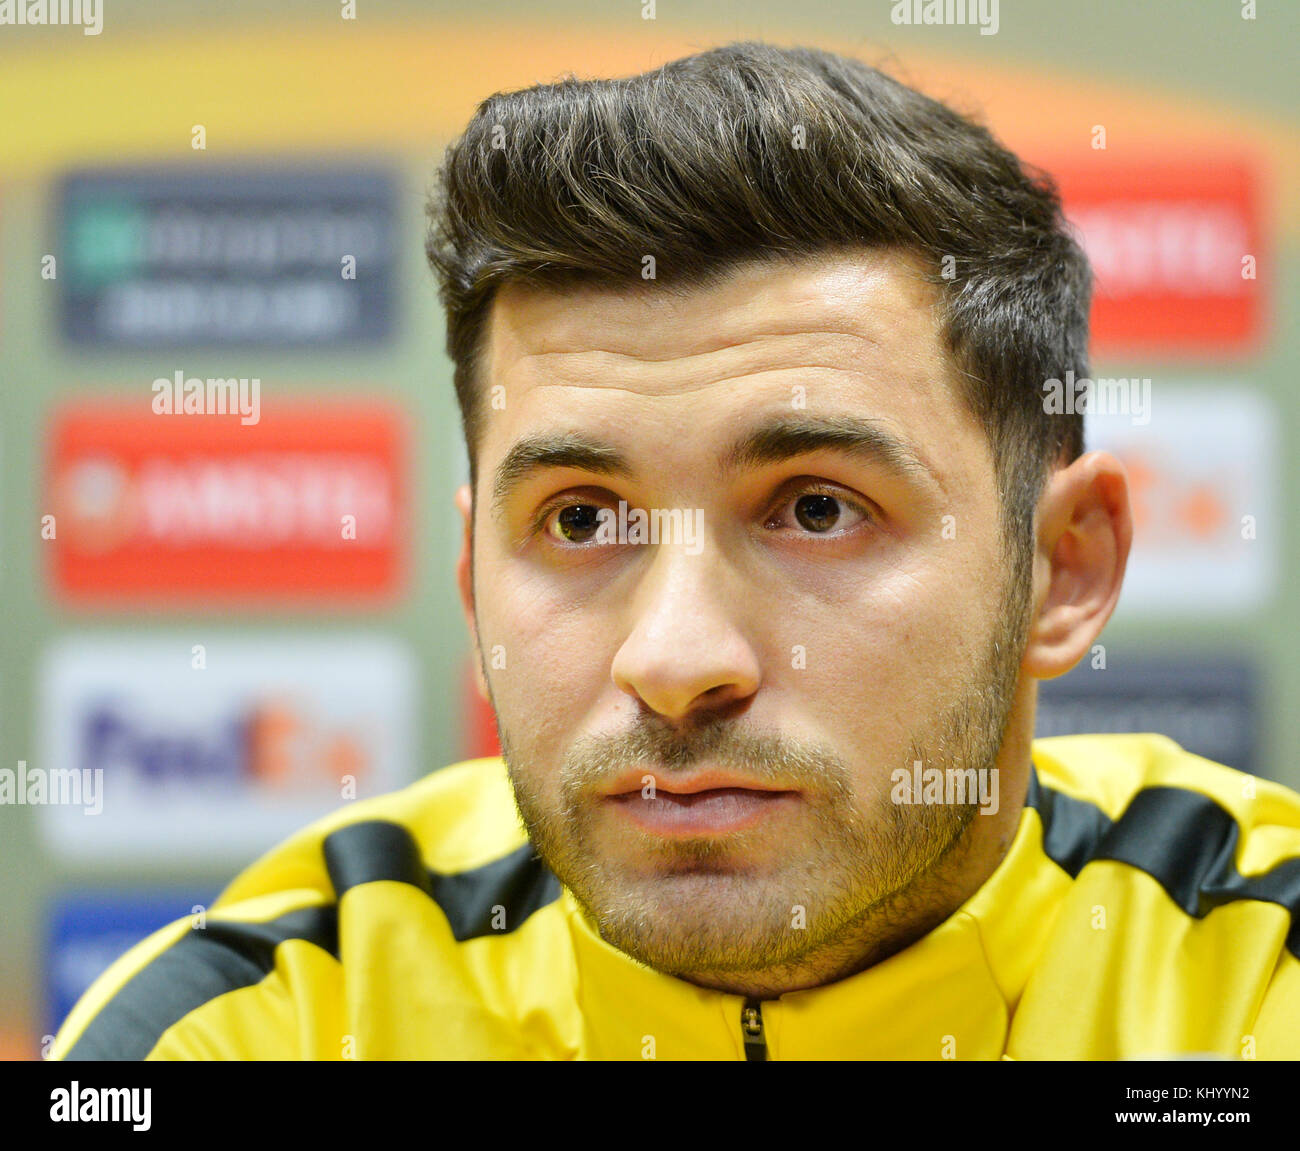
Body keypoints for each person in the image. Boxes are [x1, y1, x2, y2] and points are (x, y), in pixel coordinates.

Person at [52, 40, 1299, 1061]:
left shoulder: (1256, 980)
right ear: (474, 579)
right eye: (581, 519)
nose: (676, 657)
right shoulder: (260, 1025)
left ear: (1061, 568)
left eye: (817, 507)